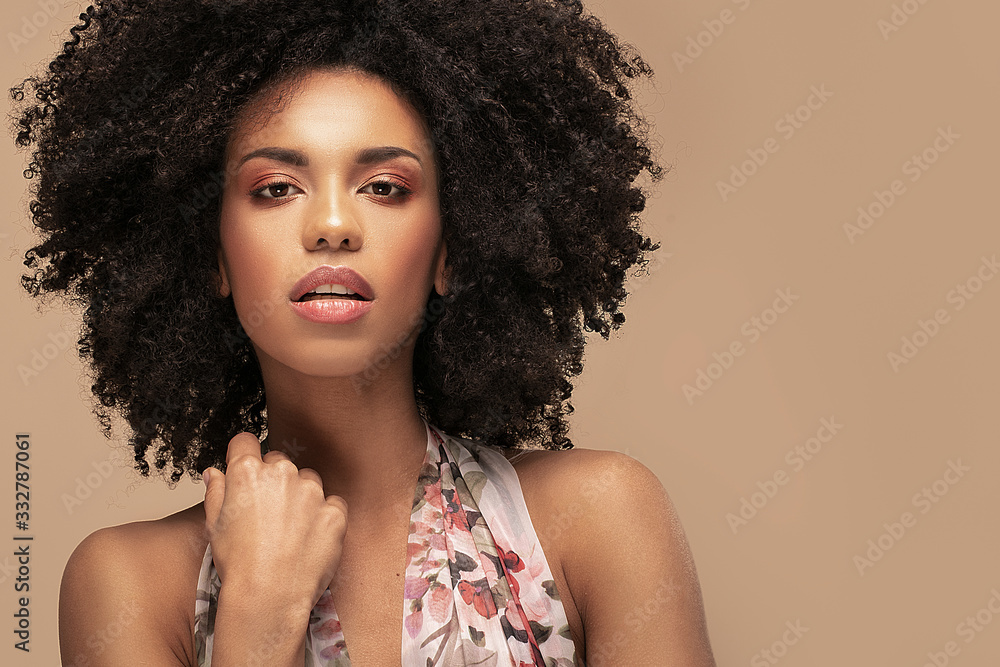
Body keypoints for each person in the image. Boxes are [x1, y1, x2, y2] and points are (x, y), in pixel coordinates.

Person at [10, 0, 717, 664]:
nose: (333, 225)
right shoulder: (127, 582)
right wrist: (258, 617)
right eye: (276, 188)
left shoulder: (603, 517)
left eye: (384, 186)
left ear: (449, 250)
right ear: (213, 255)